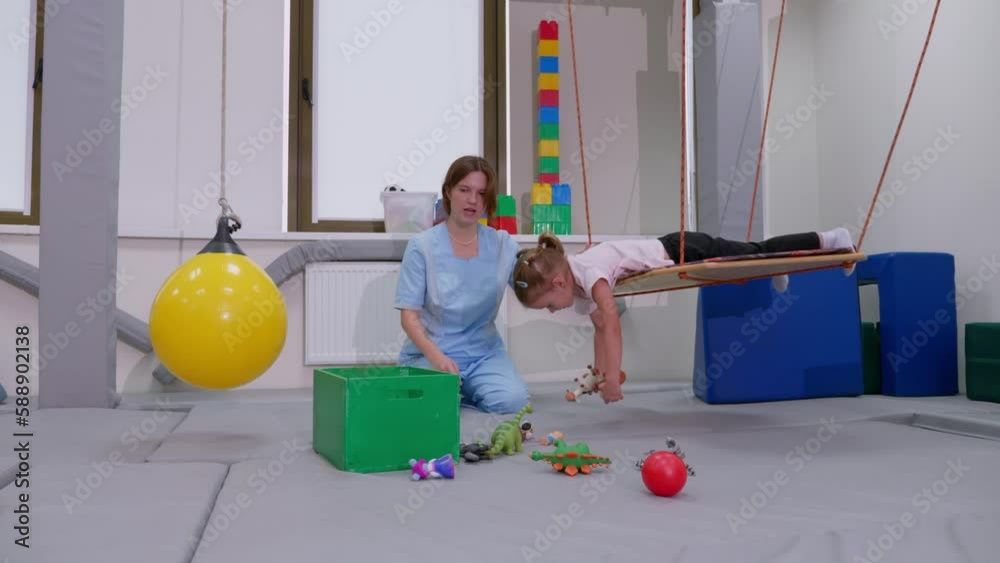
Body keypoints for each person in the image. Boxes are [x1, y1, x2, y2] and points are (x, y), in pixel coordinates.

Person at [510, 227, 857, 404]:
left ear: (558, 282)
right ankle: (770, 268)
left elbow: (612, 319)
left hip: (683, 248)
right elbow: (599, 324)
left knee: (754, 253)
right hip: (674, 249)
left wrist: (613, 377)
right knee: (750, 260)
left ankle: (830, 238)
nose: (555, 310)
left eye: (550, 305)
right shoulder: (578, 279)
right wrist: (600, 372)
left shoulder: (590, 273)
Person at [394, 155, 529, 414]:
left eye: (481, 193)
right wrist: (437, 358)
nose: (472, 200)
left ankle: (464, 388)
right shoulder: (421, 246)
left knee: (513, 401)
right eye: (464, 190)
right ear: (448, 192)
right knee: (425, 407)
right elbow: (408, 318)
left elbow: (531, 289)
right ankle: (455, 390)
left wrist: (570, 273)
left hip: (484, 354)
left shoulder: (503, 244)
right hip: (431, 354)